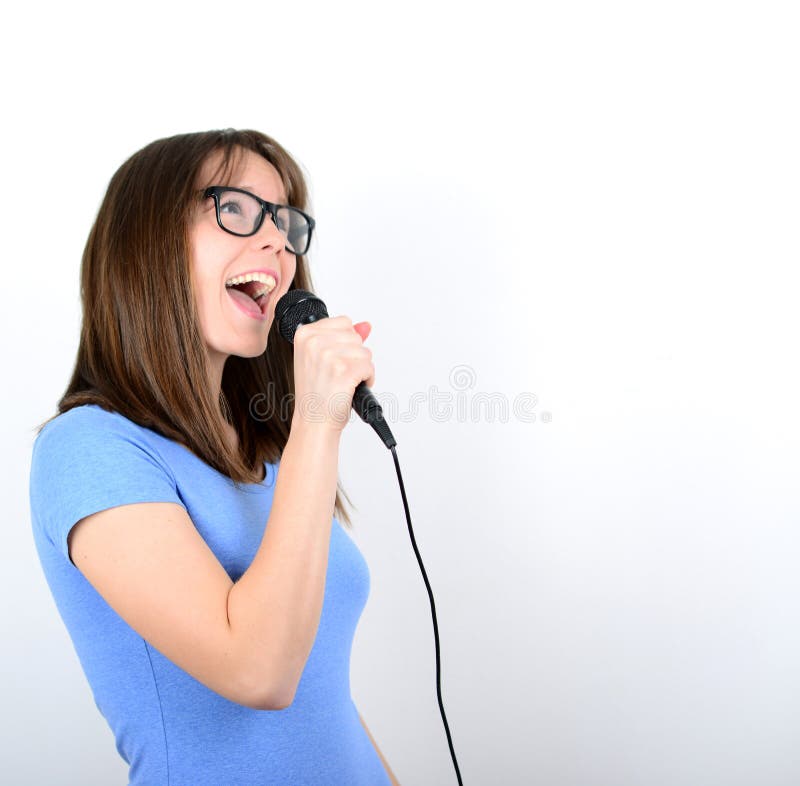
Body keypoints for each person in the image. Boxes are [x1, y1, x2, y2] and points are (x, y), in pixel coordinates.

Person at [29, 128, 400, 785]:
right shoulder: (88, 449)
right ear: (146, 244)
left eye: (285, 221)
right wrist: (317, 420)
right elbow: (258, 672)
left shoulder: (273, 454)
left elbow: (324, 703)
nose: (278, 242)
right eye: (235, 208)